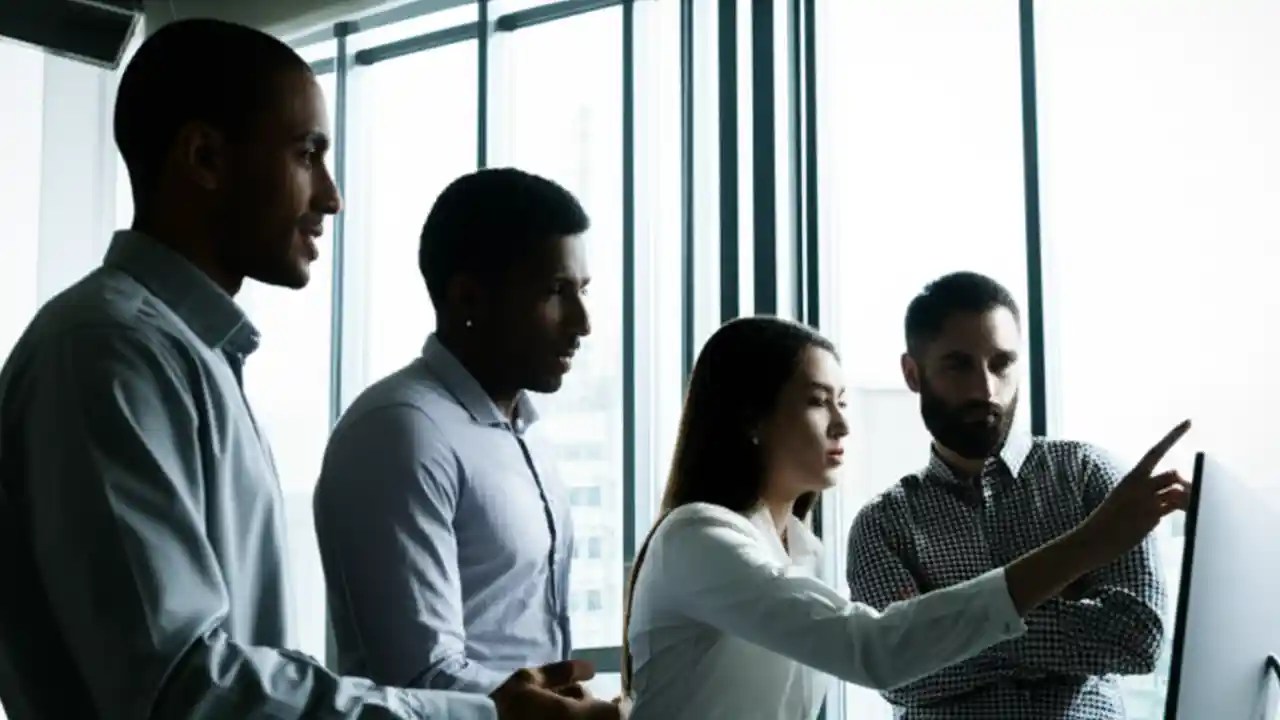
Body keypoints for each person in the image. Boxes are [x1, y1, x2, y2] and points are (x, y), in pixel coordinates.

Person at [0, 19, 615, 720]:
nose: (331, 196)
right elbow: (179, 686)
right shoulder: (108, 351)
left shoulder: (188, 356)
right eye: (308, 154)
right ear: (204, 157)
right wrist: (488, 716)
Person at [621, 315, 1190, 720]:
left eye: (844, 401)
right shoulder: (698, 537)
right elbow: (880, 653)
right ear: (752, 417)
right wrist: (1088, 545)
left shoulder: (804, 552)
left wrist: (947, 636)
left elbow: (1136, 639)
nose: (843, 424)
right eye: (819, 401)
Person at [845, 271, 1174, 719]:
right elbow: (899, 674)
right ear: (912, 373)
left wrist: (940, 628)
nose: (986, 389)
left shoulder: (1091, 478)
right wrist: (1061, 613)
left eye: (1002, 363)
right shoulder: (883, 524)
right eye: (959, 365)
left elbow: (1138, 640)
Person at [314, 169, 591, 694]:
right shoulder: (402, 433)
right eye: (556, 292)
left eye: (583, 290)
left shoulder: (525, 430)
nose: (582, 321)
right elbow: (418, 676)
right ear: (468, 299)